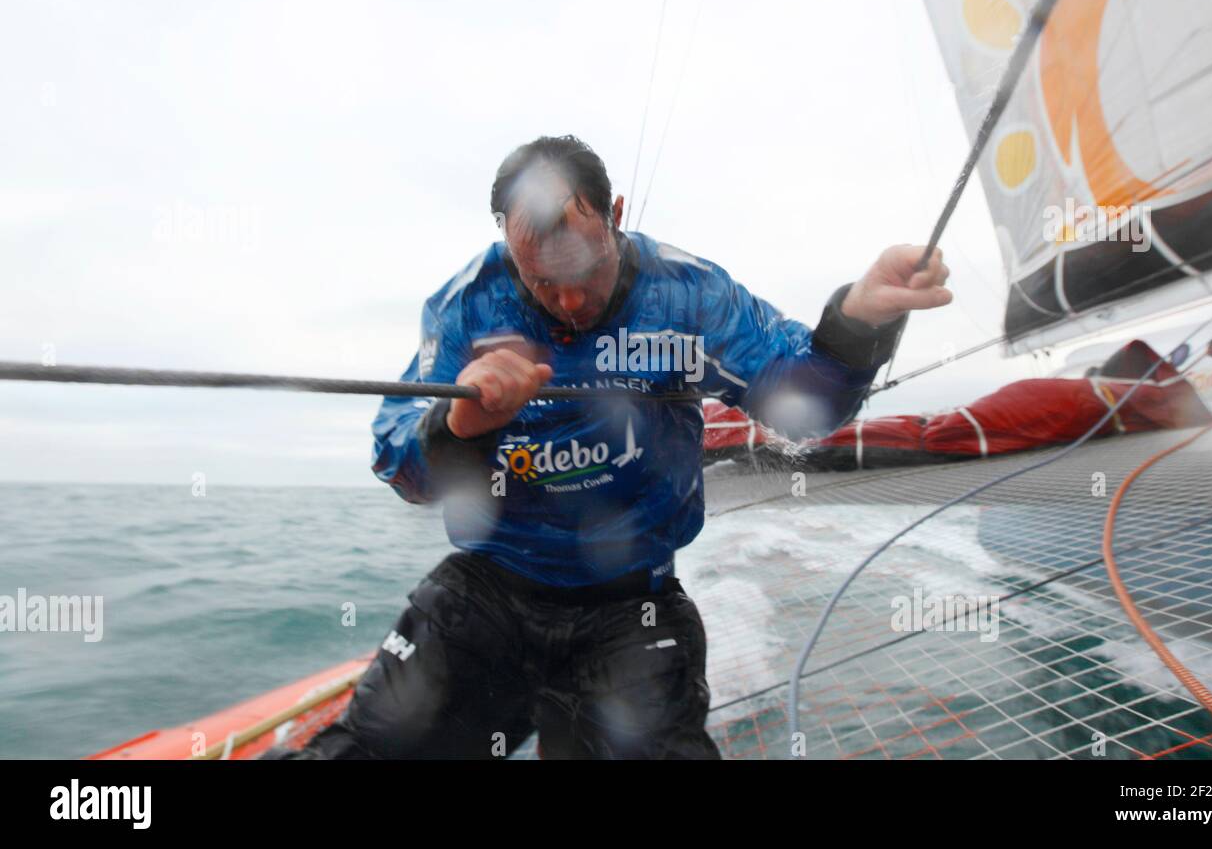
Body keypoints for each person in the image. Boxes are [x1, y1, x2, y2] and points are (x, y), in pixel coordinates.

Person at [264, 135, 951, 760]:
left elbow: (803, 406)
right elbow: (399, 462)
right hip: (492, 588)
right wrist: (461, 422)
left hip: (632, 603)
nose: (568, 300)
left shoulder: (686, 295)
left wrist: (859, 317)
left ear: (616, 212)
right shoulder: (468, 305)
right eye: (541, 280)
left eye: (584, 271)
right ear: (506, 244)